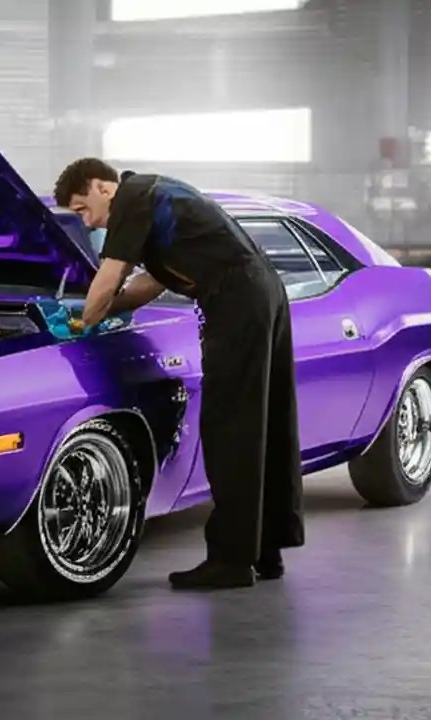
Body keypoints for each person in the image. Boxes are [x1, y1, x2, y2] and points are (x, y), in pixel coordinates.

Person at [53, 158, 304, 589]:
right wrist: (107, 311)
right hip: (261, 291)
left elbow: (111, 274)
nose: (88, 222)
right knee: (263, 422)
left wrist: (81, 324)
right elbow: (148, 285)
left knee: (230, 426)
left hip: (237, 299)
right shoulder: (156, 195)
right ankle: (264, 550)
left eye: (82, 209)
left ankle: (229, 561)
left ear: (102, 187)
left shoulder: (133, 197)